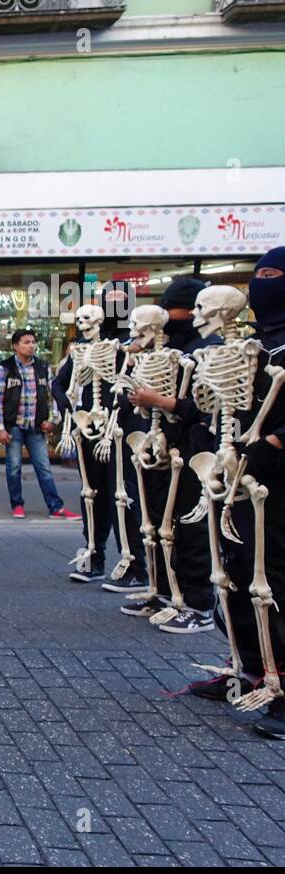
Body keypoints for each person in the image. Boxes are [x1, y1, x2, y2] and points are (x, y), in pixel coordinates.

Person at [187, 248, 285, 737]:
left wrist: (267, 446)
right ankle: (248, 670)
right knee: (237, 571)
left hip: (275, 483)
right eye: (258, 275)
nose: (262, 284)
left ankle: (282, 687)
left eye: (273, 275)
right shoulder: (258, 346)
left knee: (274, 580)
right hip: (236, 475)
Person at [123, 276, 217, 631]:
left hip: (194, 451)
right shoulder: (165, 348)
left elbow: (210, 408)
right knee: (161, 522)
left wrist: (164, 402)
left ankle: (199, 603)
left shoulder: (207, 350)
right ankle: (165, 591)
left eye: (170, 309)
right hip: (161, 447)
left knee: (190, 528)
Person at [53, 281, 139, 583]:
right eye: (109, 299)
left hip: (118, 434)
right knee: (91, 494)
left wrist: (117, 418)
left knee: (123, 496)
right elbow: (60, 383)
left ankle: (135, 565)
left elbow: (130, 388)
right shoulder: (84, 348)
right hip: (87, 431)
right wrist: (71, 412)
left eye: (120, 300)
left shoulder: (131, 346)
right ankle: (95, 554)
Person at [0, 329, 79, 520]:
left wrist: (53, 419)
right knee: (14, 466)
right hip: (13, 424)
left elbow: (53, 395)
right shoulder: (5, 368)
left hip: (36, 425)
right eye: (26, 342)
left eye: (33, 342)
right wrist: (0, 428)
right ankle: (17, 504)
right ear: (15, 346)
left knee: (44, 467)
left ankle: (55, 507)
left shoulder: (42, 367)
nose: (31, 345)